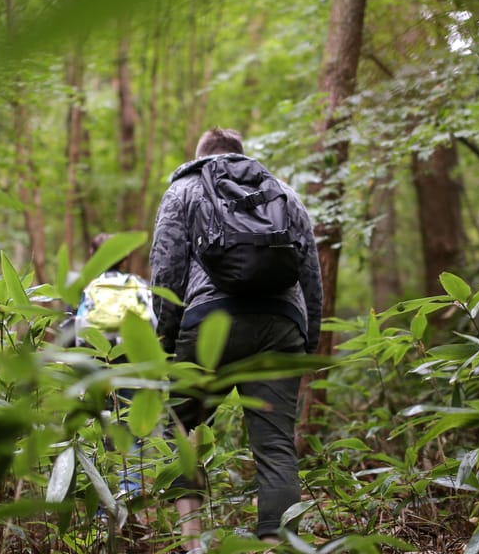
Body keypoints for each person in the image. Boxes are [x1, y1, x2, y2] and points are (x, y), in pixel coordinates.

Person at [149, 128, 322, 550]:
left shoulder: (183, 190)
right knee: (276, 445)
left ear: (199, 155)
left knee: (178, 426)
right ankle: (275, 546)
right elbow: (310, 271)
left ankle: (192, 543)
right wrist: (308, 341)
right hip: (282, 324)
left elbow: (166, 269)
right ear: (241, 155)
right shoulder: (283, 193)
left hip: (211, 322)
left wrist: (165, 339)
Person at [75, 232, 156, 500]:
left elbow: (80, 331)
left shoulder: (91, 288)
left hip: (99, 363)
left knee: (101, 427)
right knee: (130, 428)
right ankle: (129, 495)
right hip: (132, 363)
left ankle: (103, 507)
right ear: (124, 260)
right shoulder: (138, 285)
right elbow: (152, 324)